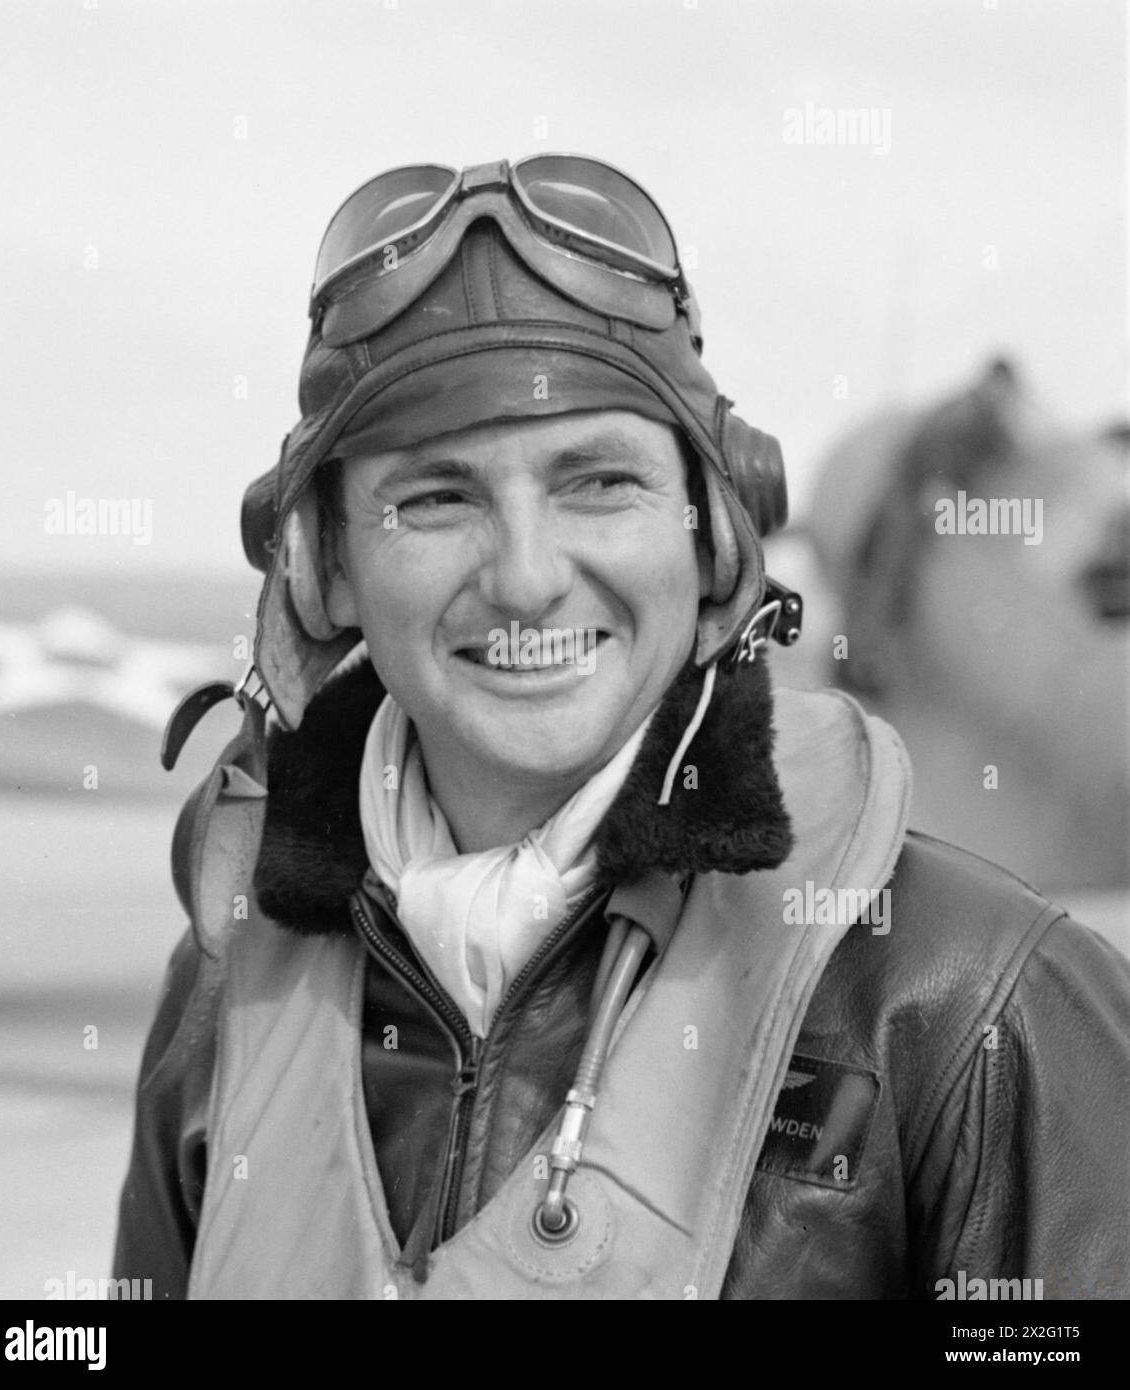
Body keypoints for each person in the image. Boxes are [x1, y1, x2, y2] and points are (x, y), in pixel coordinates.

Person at [113, 156, 1130, 1300]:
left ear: (713, 537)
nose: (526, 578)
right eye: (436, 497)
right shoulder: (223, 1001)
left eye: (597, 483)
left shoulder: (973, 1004)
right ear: (322, 566)